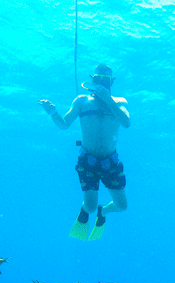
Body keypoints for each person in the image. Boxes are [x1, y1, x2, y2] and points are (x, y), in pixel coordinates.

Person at [40, 64, 131, 241]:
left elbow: (126, 123)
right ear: (92, 80)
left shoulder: (120, 102)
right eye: (98, 80)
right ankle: (89, 210)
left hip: (110, 163)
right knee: (89, 207)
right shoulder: (82, 101)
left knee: (122, 205)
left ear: (111, 82)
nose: (101, 84)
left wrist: (109, 100)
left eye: (105, 81)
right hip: (87, 162)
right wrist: (53, 113)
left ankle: (103, 211)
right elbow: (64, 124)